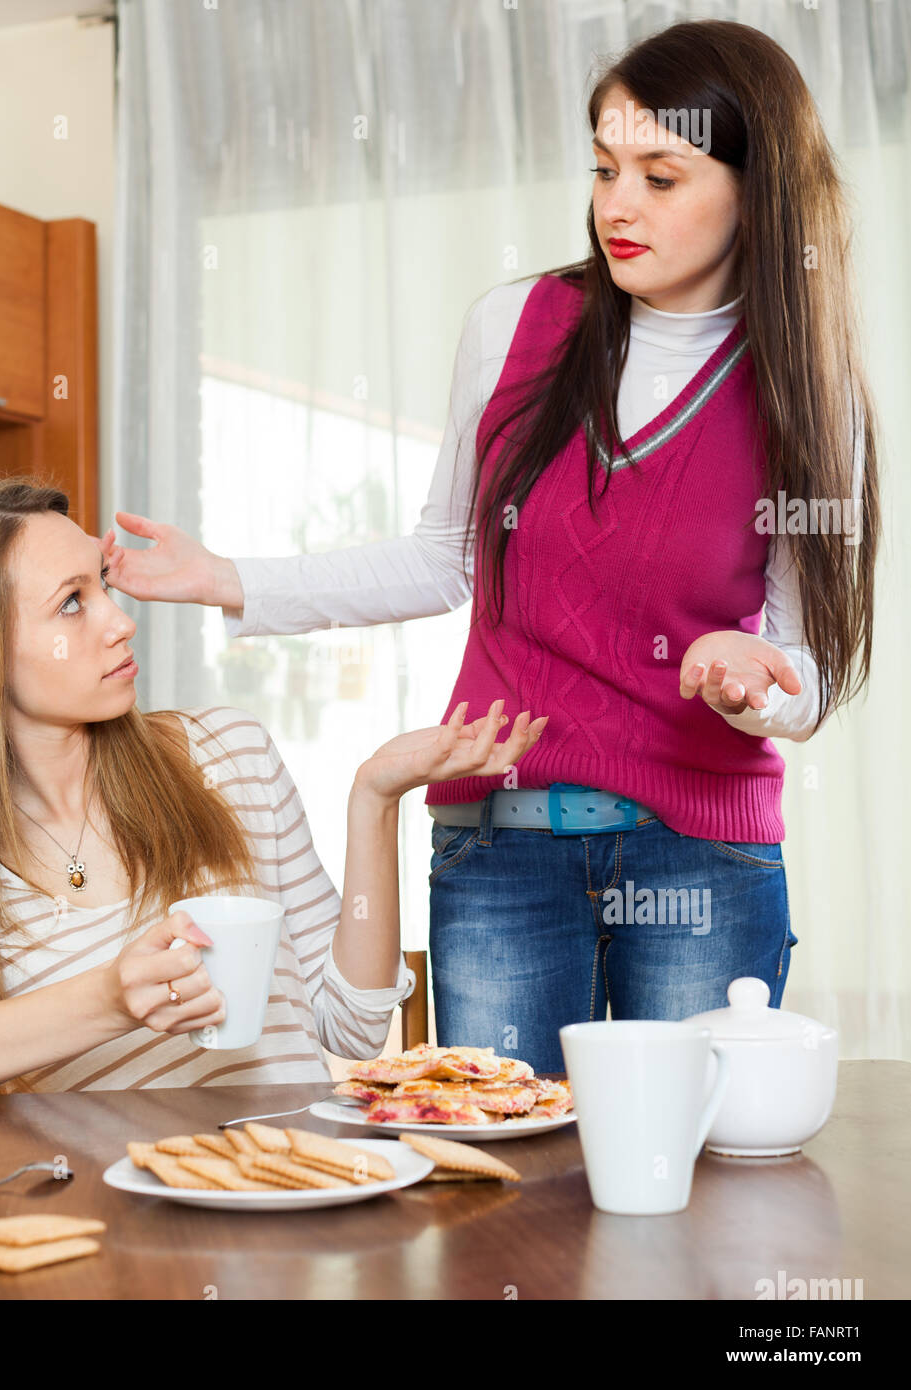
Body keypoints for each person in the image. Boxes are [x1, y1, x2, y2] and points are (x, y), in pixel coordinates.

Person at [96, 20, 879, 1073]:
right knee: (501, 1181)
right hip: (498, 846)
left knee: (695, 1190)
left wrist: (758, 687)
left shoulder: (808, 393)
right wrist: (224, 578)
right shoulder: (516, 325)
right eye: (604, 169)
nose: (617, 204)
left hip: (700, 853)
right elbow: (442, 555)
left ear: (756, 188)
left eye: (660, 175)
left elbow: (809, 669)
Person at [0, 476, 545, 1101]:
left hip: (294, 1209)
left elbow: (352, 1025)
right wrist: (109, 1000)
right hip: (118, 1233)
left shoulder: (228, 756)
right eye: (72, 605)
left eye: (102, 587)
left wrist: (374, 799)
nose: (120, 620)